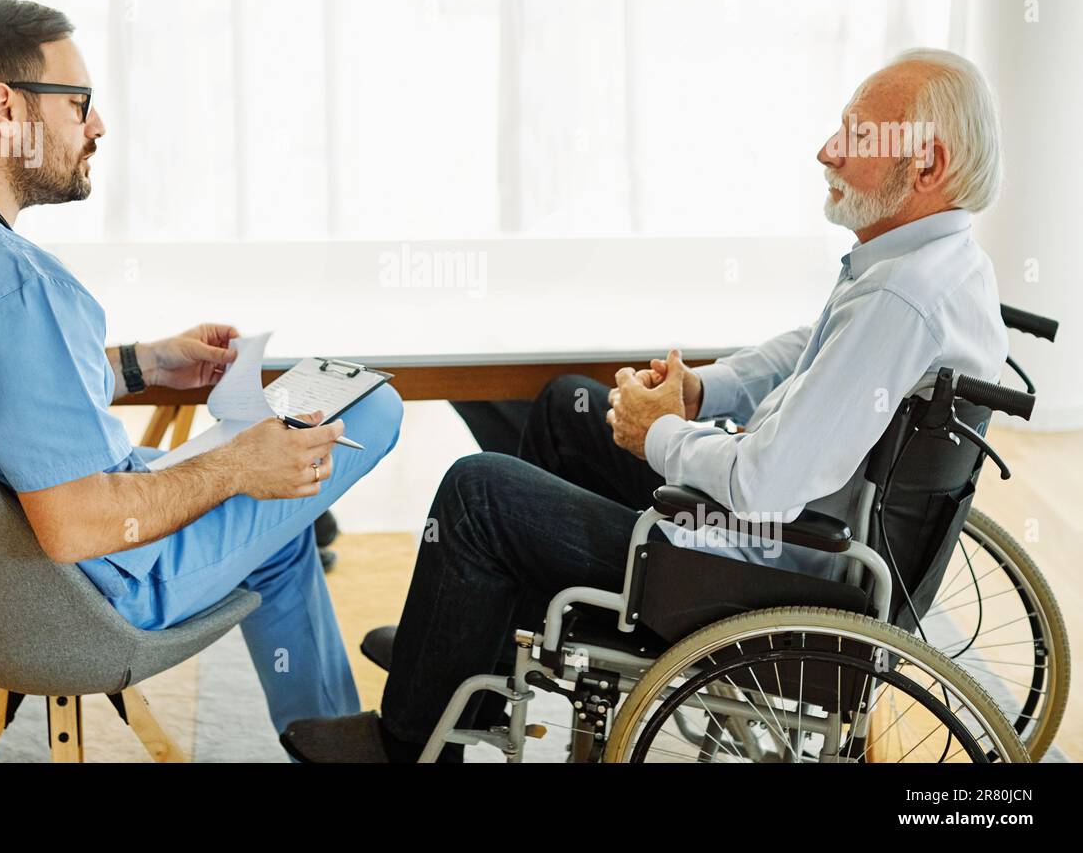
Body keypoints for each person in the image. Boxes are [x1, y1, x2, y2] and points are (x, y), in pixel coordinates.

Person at [280, 48, 1008, 762]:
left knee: (480, 493)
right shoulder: (930, 265)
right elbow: (806, 350)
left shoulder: (899, 297)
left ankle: (404, 742)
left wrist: (659, 432)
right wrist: (699, 392)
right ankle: (474, 650)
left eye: (855, 134)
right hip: (796, 541)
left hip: (765, 568)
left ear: (928, 165)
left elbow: (765, 483)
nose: (827, 151)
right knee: (569, 407)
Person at [0, 0, 403, 738]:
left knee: (284, 538)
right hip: (97, 583)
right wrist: (236, 469)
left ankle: (330, 742)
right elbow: (73, 525)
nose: (96, 127)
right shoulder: (16, 287)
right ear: (4, 107)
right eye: (79, 104)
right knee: (374, 407)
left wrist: (142, 363)